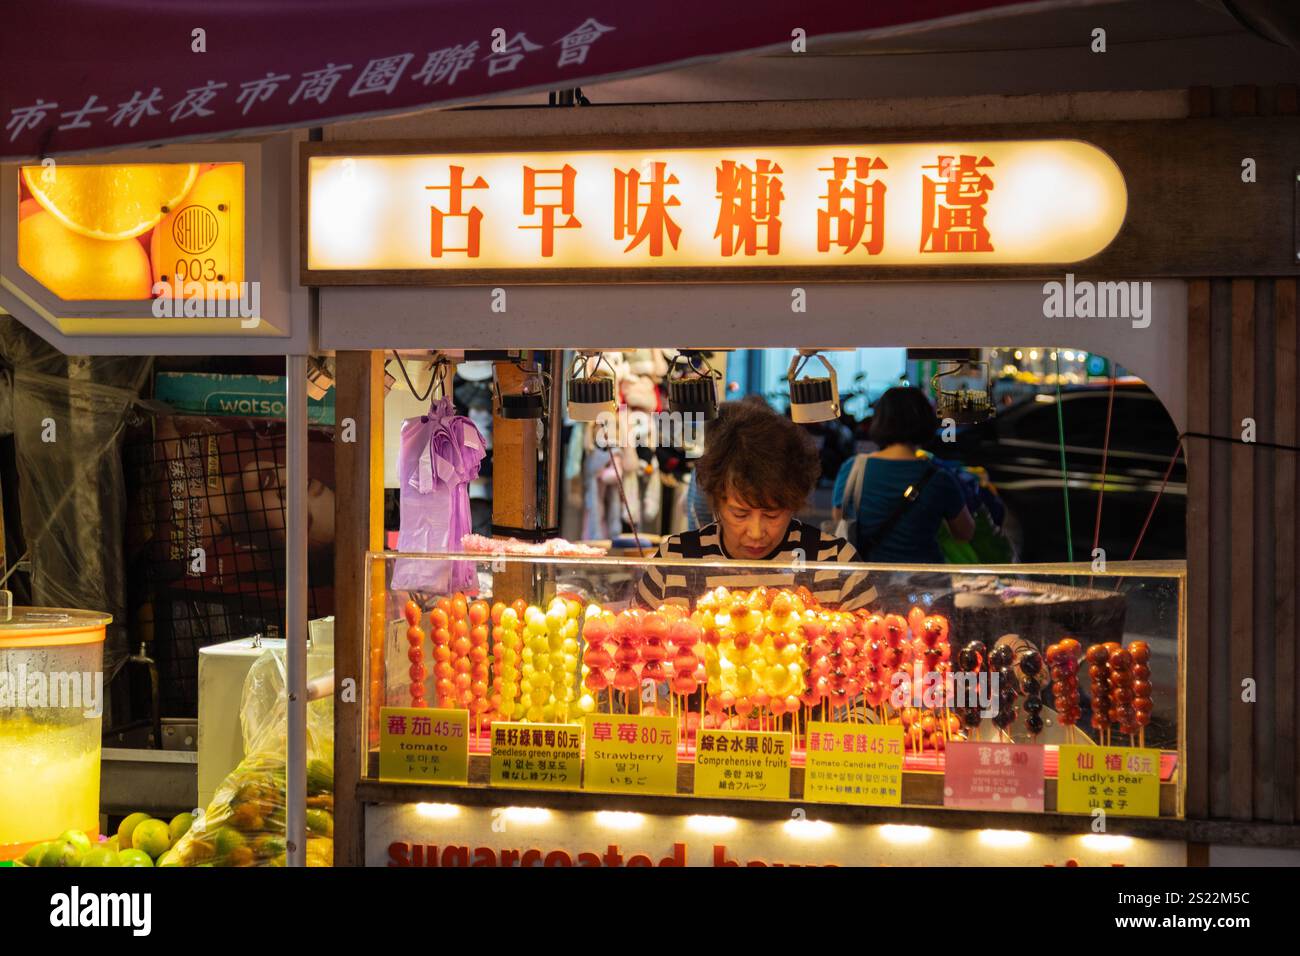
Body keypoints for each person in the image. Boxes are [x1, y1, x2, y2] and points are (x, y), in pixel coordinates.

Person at [637, 396, 876, 610]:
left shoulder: (834, 562)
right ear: (717, 500)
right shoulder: (675, 562)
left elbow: (873, 652)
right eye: (740, 514)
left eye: (772, 515)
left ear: (794, 502)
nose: (756, 532)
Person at [832, 386, 975, 564]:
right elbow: (965, 533)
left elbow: (840, 519)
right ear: (926, 420)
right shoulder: (940, 478)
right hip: (925, 583)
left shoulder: (852, 468)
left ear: (879, 421)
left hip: (868, 584)